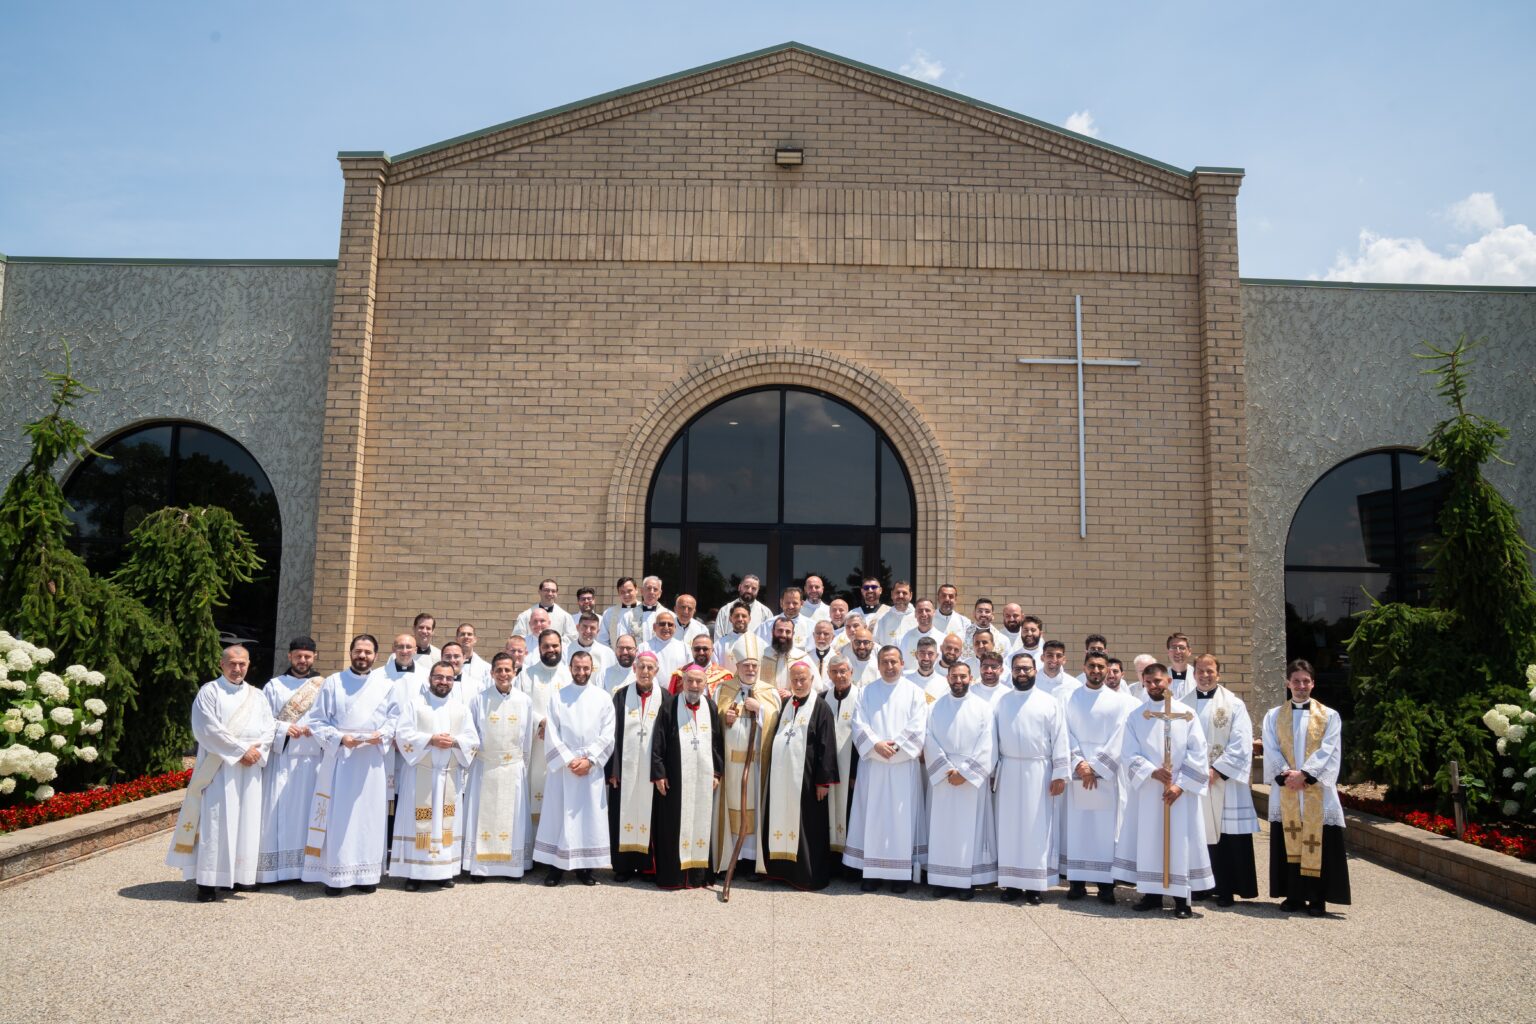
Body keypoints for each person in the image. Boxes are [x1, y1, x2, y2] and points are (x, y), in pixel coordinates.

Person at [167, 645, 275, 902]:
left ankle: (240, 876)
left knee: (246, 822)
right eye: (232, 664)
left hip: (250, 770)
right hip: (219, 768)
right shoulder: (209, 692)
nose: (237, 669)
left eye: (242, 664)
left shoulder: (258, 695)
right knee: (216, 823)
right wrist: (241, 751)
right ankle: (208, 881)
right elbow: (206, 729)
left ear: (249, 665)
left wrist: (256, 752)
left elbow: (269, 728)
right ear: (221, 664)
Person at [301, 634, 400, 895]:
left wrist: (382, 735)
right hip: (342, 759)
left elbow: (394, 720)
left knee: (369, 816)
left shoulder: (386, 685)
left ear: (375, 656)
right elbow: (318, 721)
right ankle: (336, 875)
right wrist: (340, 738)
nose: (362, 656)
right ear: (350, 652)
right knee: (340, 818)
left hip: (371, 762)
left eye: (368, 652)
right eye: (358, 651)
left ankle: (366, 874)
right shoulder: (333, 683)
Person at [1112, 663, 1212, 918]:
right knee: (1150, 840)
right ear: (1143, 683)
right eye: (1149, 682)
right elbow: (1129, 752)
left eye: (1158, 681)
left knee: (1180, 841)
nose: (1154, 686)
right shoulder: (1137, 716)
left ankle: (1181, 899)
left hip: (1180, 792)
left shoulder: (1187, 714)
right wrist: (1151, 771)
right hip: (1149, 790)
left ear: (1168, 680)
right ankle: (1152, 893)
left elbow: (1199, 753)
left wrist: (1180, 785)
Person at [1262, 658, 1351, 916]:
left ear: (1313, 683)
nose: (1301, 685)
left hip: (1316, 791)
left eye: (1306, 681)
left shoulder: (1329, 716)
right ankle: (1294, 896)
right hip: (1287, 789)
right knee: (1290, 840)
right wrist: (1286, 775)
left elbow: (1329, 750)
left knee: (1317, 842)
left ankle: (1318, 898)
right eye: (1296, 681)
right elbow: (1270, 747)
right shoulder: (1273, 715)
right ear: (1288, 683)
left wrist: (1307, 775)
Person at [843, 645, 927, 893]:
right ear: (878, 665)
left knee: (901, 818)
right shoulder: (867, 692)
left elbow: (918, 725)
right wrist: (876, 745)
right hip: (875, 765)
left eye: (894, 662)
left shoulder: (914, 692)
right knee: (873, 817)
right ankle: (872, 873)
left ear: (902, 663)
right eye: (884, 663)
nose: (889, 667)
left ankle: (899, 874)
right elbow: (858, 723)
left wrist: (897, 746)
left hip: (902, 767)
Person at [388, 661, 479, 890]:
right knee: (416, 823)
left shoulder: (461, 708)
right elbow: (403, 735)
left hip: (449, 776)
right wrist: (430, 740)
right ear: (430, 678)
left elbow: (473, 740)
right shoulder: (415, 705)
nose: (444, 682)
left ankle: (444, 871)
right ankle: (414, 873)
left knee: (446, 824)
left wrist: (455, 741)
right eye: (439, 677)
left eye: (449, 678)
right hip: (420, 776)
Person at [993, 651, 1070, 905]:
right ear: (1011, 671)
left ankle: (1035, 885)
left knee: (1037, 828)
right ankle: (1012, 883)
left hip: (1040, 773)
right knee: (1010, 828)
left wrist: (1060, 772)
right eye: (1017, 669)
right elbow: (993, 739)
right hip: (1010, 771)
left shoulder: (1049, 702)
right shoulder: (1003, 702)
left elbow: (1060, 738)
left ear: (1035, 671)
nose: (1022, 673)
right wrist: (993, 769)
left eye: (1026, 669)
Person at [533, 650, 616, 886]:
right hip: (564, 769)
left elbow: (608, 735)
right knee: (558, 816)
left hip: (590, 769)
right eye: (577, 668)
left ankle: (584, 868)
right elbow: (552, 733)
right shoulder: (558, 697)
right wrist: (569, 760)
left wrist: (589, 761)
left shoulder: (602, 698)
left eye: (585, 668)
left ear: (592, 669)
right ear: (570, 668)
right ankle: (555, 868)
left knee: (587, 819)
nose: (581, 672)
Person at [1060, 651, 1136, 904]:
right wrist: (1079, 763)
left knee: (1105, 830)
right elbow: (1065, 732)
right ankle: (1077, 882)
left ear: (1108, 670)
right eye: (1091, 666)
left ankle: (1105, 886)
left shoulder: (1120, 702)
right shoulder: (1070, 698)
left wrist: (1097, 767)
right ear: (1084, 668)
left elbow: (1121, 735)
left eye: (1100, 667)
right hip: (1078, 774)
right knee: (1078, 827)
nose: (1096, 670)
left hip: (1107, 775)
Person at [761, 661, 840, 890]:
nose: (798, 683)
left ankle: (806, 875)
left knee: (807, 827)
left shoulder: (821, 707)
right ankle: (780, 871)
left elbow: (827, 746)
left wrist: (823, 781)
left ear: (811, 680)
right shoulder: (787, 704)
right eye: (794, 679)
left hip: (807, 780)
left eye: (802, 679)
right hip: (781, 779)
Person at [1189, 653, 1260, 906]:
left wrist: (1217, 770)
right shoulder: (1183, 703)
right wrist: (1195, 772)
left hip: (1225, 783)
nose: (1205, 675)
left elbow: (1241, 743)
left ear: (1218, 673)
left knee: (1228, 835)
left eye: (1210, 671)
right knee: (1197, 832)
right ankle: (1199, 885)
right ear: (1193, 672)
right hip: (1196, 781)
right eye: (1200, 671)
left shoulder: (1234, 704)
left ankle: (1227, 888)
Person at [923, 663, 997, 900]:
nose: (958, 680)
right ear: (947, 678)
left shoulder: (983, 708)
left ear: (971, 678)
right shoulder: (934, 707)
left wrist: (965, 772)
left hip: (970, 780)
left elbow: (988, 745)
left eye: (962, 676)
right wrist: (946, 769)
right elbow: (928, 739)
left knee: (969, 831)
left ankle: (967, 881)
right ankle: (943, 880)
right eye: (954, 676)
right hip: (943, 777)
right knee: (943, 829)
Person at [257, 637, 326, 885]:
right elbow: (262, 721)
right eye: (298, 656)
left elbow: (331, 719)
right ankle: (273, 870)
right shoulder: (273, 686)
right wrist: (284, 727)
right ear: (289, 657)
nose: (303, 660)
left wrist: (315, 730)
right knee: (275, 812)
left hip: (311, 762)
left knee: (308, 813)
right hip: (282, 759)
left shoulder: (323, 686)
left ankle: (305, 869)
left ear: (314, 657)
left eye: (307, 656)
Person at [650, 664, 724, 889]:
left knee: (700, 822)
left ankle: (698, 877)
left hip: (703, 777)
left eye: (699, 681)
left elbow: (717, 742)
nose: (694, 685)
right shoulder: (670, 706)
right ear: (682, 681)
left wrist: (717, 772)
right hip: (675, 778)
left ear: (705, 683)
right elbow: (658, 741)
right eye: (690, 681)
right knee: (674, 824)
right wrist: (659, 773)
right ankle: (673, 877)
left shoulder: (710, 706)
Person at [712, 635, 781, 874]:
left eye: (754, 665)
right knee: (732, 807)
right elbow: (713, 723)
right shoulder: (724, 689)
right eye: (745, 665)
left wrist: (760, 710)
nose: (750, 669)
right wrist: (725, 718)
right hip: (731, 766)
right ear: (737, 666)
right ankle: (734, 858)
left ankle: (753, 859)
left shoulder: (768, 692)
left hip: (757, 765)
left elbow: (776, 722)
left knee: (754, 806)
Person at [463, 652, 534, 880]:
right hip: (486, 767)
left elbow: (528, 739)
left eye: (507, 670)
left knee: (512, 817)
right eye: (499, 670)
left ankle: (511, 867)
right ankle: (480, 867)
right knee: (482, 817)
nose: (503, 674)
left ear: (514, 672)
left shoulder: (524, 701)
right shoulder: (479, 700)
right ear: (492, 673)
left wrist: (523, 763)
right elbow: (471, 733)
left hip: (513, 767)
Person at [607, 652, 669, 882]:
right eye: (641, 667)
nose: (645, 671)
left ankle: (647, 867)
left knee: (651, 818)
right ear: (634, 669)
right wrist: (613, 770)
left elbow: (669, 739)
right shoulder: (621, 696)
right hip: (624, 770)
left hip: (652, 773)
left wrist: (663, 772)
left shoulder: (667, 697)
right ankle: (623, 866)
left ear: (656, 670)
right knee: (621, 816)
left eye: (650, 667)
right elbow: (611, 735)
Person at [516, 629, 574, 832]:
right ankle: (533, 851)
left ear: (561, 646)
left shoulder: (570, 674)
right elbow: (521, 704)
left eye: (555, 645)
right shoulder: (526, 674)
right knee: (535, 790)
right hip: (536, 745)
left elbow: (577, 706)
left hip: (563, 744)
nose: (551, 649)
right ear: (539, 648)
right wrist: (541, 722)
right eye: (546, 646)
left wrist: (555, 726)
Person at [822, 654, 861, 862]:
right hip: (829, 770)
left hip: (851, 772)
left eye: (843, 671)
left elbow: (861, 738)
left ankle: (850, 862)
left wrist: (855, 772)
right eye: (835, 672)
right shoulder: (822, 698)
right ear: (828, 674)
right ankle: (831, 860)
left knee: (849, 813)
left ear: (851, 672)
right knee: (828, 814)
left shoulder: (861, 698)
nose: (839, 675)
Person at [668, 632, 733, 698]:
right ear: (692, 650)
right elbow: (670, 702)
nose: (701, 652)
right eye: (697, 649)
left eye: (705, 649)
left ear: (712, 650)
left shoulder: (724, 676)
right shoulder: (679, 675)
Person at [759, 616, 808, 697]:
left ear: (793, 634)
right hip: (766, 703)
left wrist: (793, 693)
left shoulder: (802, 657)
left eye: (788, 631)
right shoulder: (762, 655)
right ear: (772, 632)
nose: (783, 635)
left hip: (793, 704)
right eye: (780, 630)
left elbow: (815, 686)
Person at [565, 612, 617, 677]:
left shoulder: (607, 653)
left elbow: (612, 677)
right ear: (577, 627)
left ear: (598, 631)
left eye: (592, 628)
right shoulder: (565, 651)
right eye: (584, 626)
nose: (588, 631)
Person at [643, 611, 688, 680]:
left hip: (677, 690)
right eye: (662, 624)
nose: (666, 627)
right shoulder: (644, 647)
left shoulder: (684, 648)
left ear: (675, 628)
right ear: (654, 627)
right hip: (653, 689)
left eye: (670, 624)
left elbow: (690, 671)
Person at [872, 580, 915, 647]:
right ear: (892, 594)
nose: (900, 596)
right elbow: (875, 644)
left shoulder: (918, 618)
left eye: (904, 593)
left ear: (911, 596)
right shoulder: (882, 619)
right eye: (897, 592)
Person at [599, 576, 640, 646]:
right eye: (622, 592)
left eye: (629, 591)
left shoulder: (646, 611)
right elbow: (602, 640)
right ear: (618, 593)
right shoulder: (609, 613)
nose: (626, 595)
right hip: (615, 655)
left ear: (636, 590)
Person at [713, 601, 755, 669]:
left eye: (744, 616)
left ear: (749, 619)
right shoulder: (719, 645)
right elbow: (715, 669)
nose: (740, 619)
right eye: (737, 616)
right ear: (730, 619)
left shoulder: (758, 643)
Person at [904, 635, 945, 701]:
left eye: (930, 653)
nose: (926, 658)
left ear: (936, 656)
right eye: (922, 653)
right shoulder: (906, 683)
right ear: (916, 655)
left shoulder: (944, 684)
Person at [456, 623, 492, 692]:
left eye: (469, 634)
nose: (466, 637)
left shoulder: (486, 668)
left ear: (475, 639)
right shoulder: (447, 666)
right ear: (456, 639)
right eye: (462, 634)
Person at [1164, 633, 1197, 700]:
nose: (1178, 651)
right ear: (1168, 652)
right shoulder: (1162, 676)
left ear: (1189, 651)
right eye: (1174, 647)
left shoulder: (1198, 676)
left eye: (1182, 648)